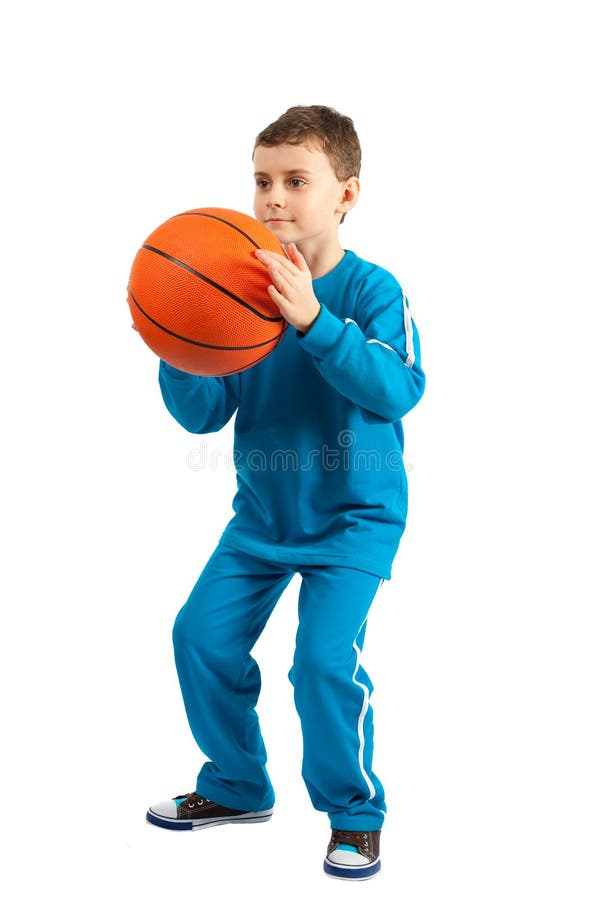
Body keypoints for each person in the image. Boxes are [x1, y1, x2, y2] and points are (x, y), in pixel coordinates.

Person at [144, 105, 425, 881]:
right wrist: (175, 342)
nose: (273, 198)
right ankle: (237, 785)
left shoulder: (371, 290)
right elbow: (205, 414)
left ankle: (355, 816)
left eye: (297, 180)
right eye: (262, 180)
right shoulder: (240, 293)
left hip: (355, 523)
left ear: (347, 194)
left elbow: (398, 388)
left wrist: (312, 322)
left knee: (322, 664)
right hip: (262, 519)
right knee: (198, 637)